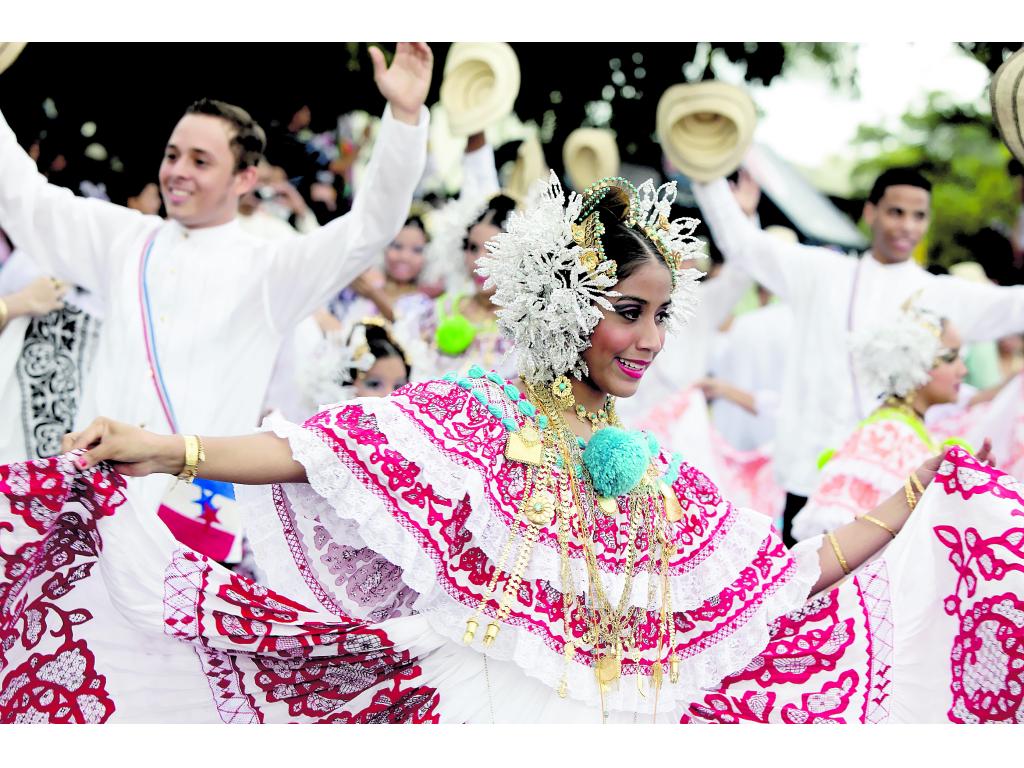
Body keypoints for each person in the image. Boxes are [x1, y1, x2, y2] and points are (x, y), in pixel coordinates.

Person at [1, 172, 1015, 724]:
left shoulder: (655, 473)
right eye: (629, 312)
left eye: (662, 316)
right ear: (568, 308)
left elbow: (784, 572)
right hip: (482, 714)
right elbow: (317, 453)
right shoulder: (478, 415)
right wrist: (167, 449)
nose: (650, 340)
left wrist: (914, 503)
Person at [0, 43, 433, 525]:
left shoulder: (270, 269)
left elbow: (370, 226)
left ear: (245, 178)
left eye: (200, 161)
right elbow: (23, 199)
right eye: (172, 155)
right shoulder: (124, 238)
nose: (178, 172)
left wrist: (404, 117)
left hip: (193, 525)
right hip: (92, 511)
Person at [694, 166, 1024, 545]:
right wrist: (705, 170)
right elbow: (743, 245)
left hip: (891, 489)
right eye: (896, 212)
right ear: (871, 212)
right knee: (800, 579)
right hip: (810, 478)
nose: (907, 226)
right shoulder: (821, 272)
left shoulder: (942, 294)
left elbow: (1016, 306)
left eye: (918, 216)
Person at [791, 307, 968, 541]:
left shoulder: (907, 430)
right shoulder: (887, 434)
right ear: (916, 362)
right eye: (951, 357)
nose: (963, 370)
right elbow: (836, 535)